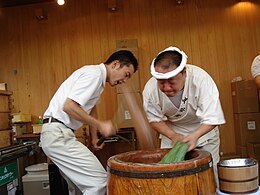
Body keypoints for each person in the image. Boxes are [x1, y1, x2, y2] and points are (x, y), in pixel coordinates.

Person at [40, 50, 138, 195]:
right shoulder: (94, 75)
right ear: (116, 64)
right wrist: (100, 125)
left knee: (77, 189)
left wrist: (94, 137)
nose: (124, 80)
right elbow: (69, 106)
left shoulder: (98, 79)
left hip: (59, 134)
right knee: (100, 183)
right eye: (126, 74)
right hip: (57, 135)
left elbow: (92, 107)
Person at [142, 46, 225, 187]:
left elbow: (212, 117)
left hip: (203, 132)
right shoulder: (150, 90)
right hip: (172, 135)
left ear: (184, 73)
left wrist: (195, 135)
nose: (167, 88)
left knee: (209, 177)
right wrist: (173, 135)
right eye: (161, 82)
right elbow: (154, 119)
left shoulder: (200, 79)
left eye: (172, 82)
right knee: (169, 178)